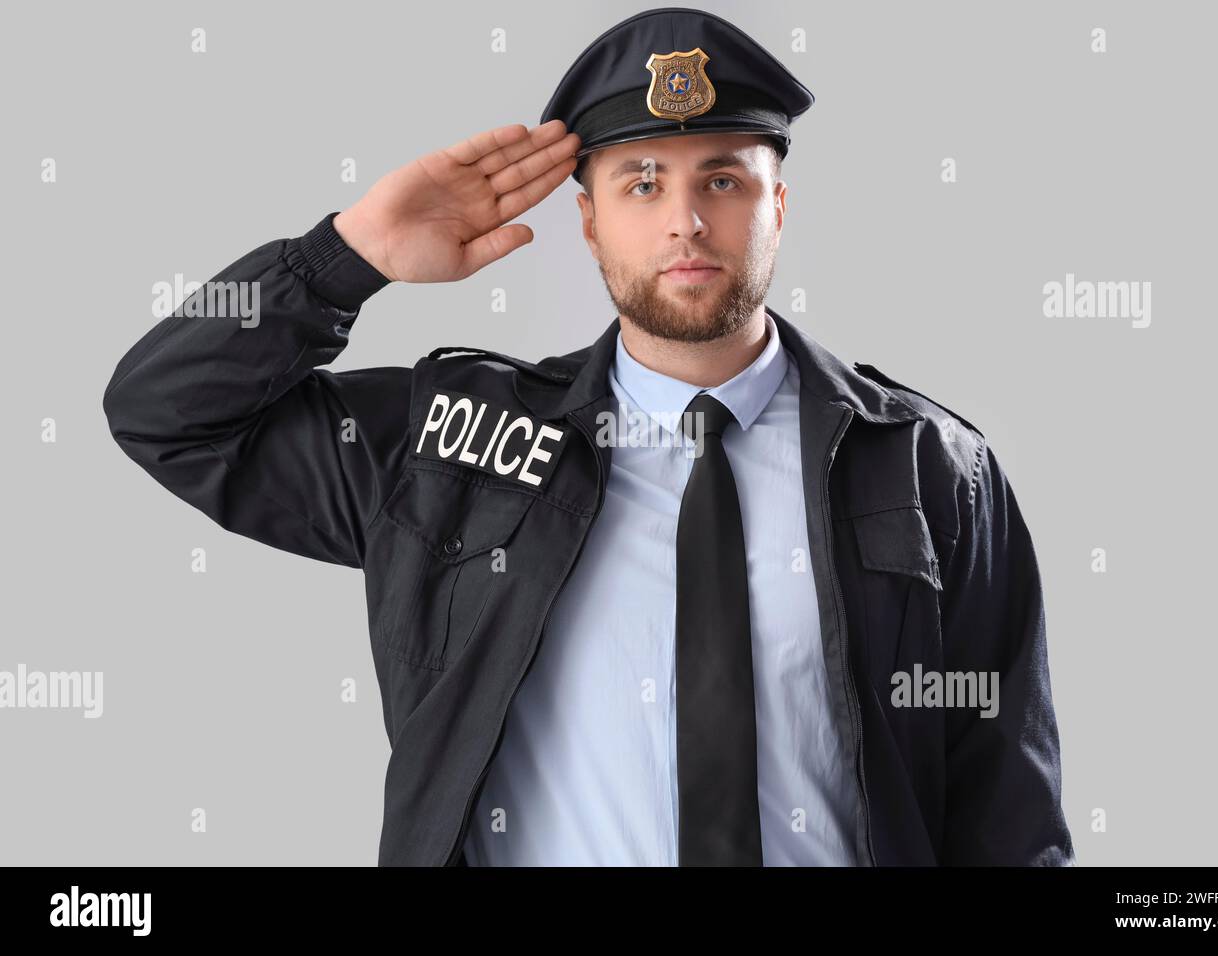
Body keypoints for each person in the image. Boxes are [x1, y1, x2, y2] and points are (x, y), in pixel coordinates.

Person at [102, 6, 1073, 866]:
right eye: (641, 183)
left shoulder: (932, 468)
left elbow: (1008, 822)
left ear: (778, 204)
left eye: (724, 180)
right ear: (588, 222)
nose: (685, 221)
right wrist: (343, 257)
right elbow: (167, 413)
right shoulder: (453, 439)